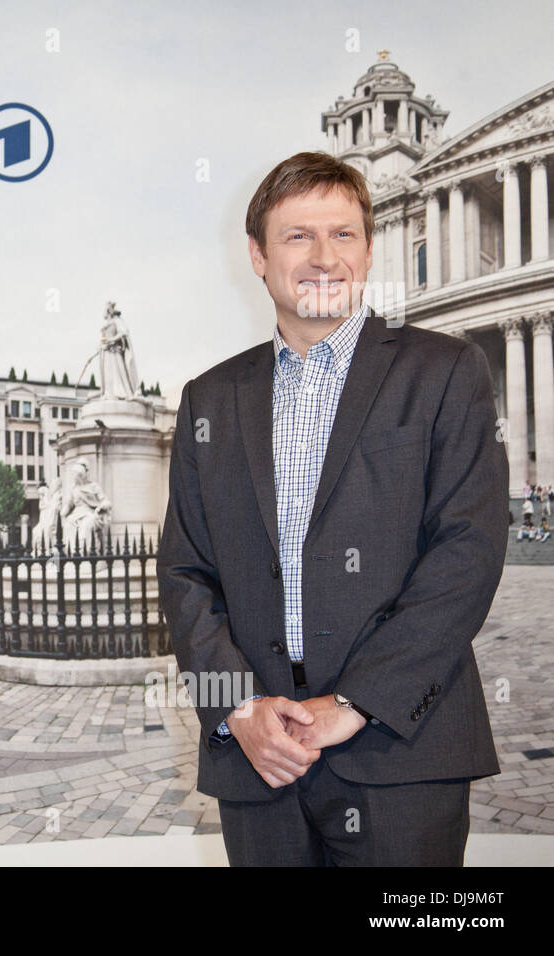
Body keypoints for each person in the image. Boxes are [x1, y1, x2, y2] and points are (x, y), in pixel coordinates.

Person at [156, 151, 508, 867]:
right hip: (262, 763)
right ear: (257, 255)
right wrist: (241, 708)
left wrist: (354, 704)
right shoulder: (209, 399)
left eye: (343, 235)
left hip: (400, 753)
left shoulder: (443, 372)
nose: (323, 258)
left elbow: (467, 553)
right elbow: (187, 574)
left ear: (369, 248)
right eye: (297, 237)